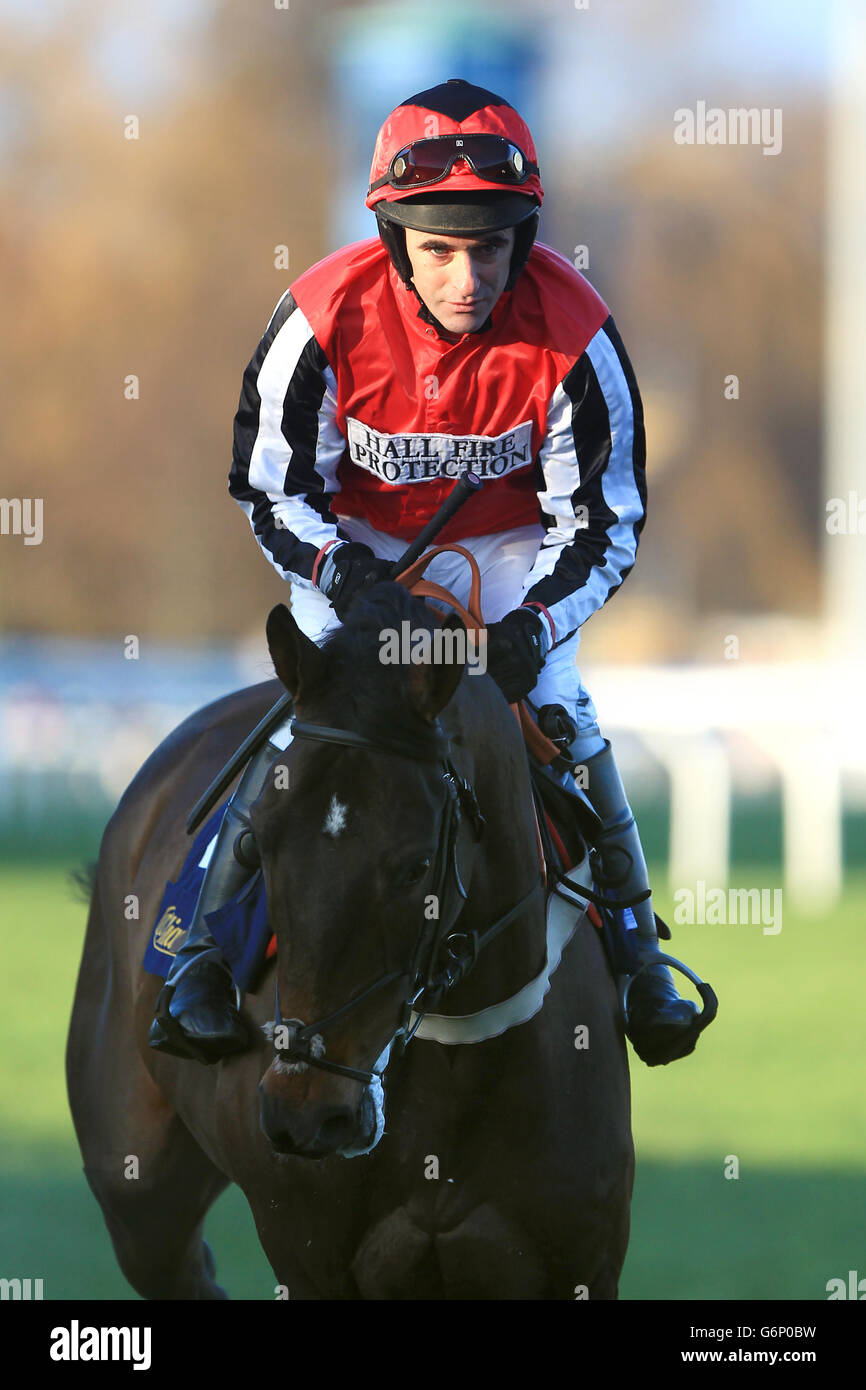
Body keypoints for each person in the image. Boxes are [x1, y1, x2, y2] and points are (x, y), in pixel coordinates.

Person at [150, 78, 710, 1069]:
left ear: (522, 238)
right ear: (393, 237)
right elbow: (267, 487)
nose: (465, 277)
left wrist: (532, 624)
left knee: (563, 707)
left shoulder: (577, 335)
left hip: (508, 558)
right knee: (309, 722)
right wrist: (344, 574)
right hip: (356, 547)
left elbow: (603, 522)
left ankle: (635, 955)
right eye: (439, 248)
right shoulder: (317, 319)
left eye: (488, 246)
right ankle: (200, 948)